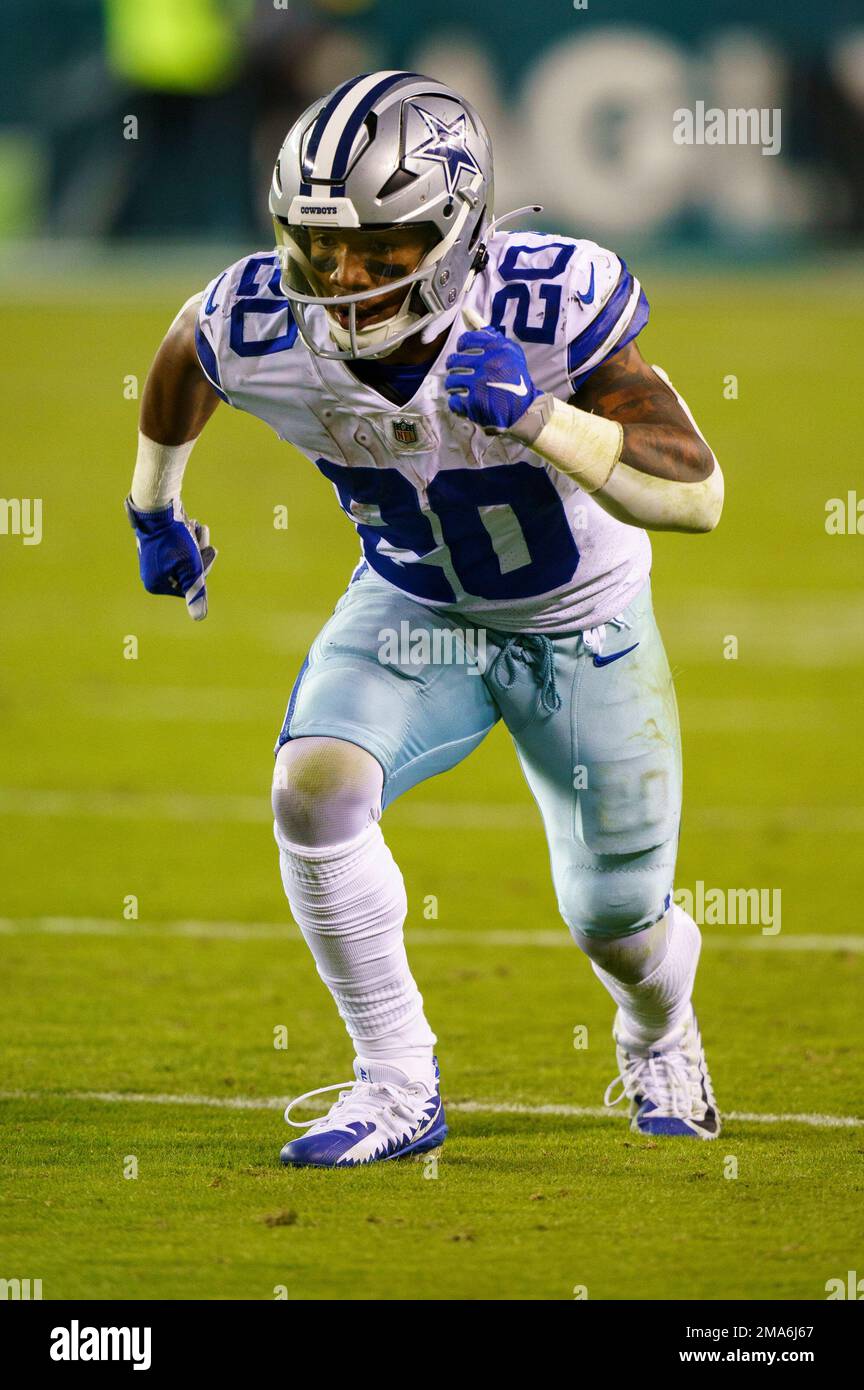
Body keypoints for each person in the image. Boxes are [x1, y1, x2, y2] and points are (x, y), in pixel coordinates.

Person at [126, 70, 724, 1168]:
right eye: (319, 245)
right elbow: (184, 353)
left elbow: (697, 492)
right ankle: (398, 1083)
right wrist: (153, 505)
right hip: (414, 609)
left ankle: (657, 1029)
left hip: (582, 628)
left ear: (453, 234)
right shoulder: (266, 317)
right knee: (314, 790)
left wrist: (545, 418)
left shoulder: (547, 304)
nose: (342, 276)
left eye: (380, 250)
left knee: (622, 926)